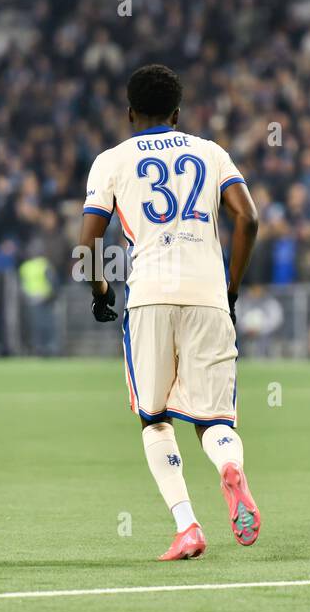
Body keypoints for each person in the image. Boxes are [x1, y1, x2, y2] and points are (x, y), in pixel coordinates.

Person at [78, 64, 260, 560]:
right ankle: (228, 465)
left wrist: (98, 288)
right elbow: (248, 217)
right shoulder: (211, 151)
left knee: (154, 417)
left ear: (130, 113)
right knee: (216, 419)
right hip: (208, 296)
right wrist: (233, 288)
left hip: (150, 295)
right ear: (178, 113)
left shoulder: (110, 160)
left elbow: (89, 237)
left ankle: (188, 526)